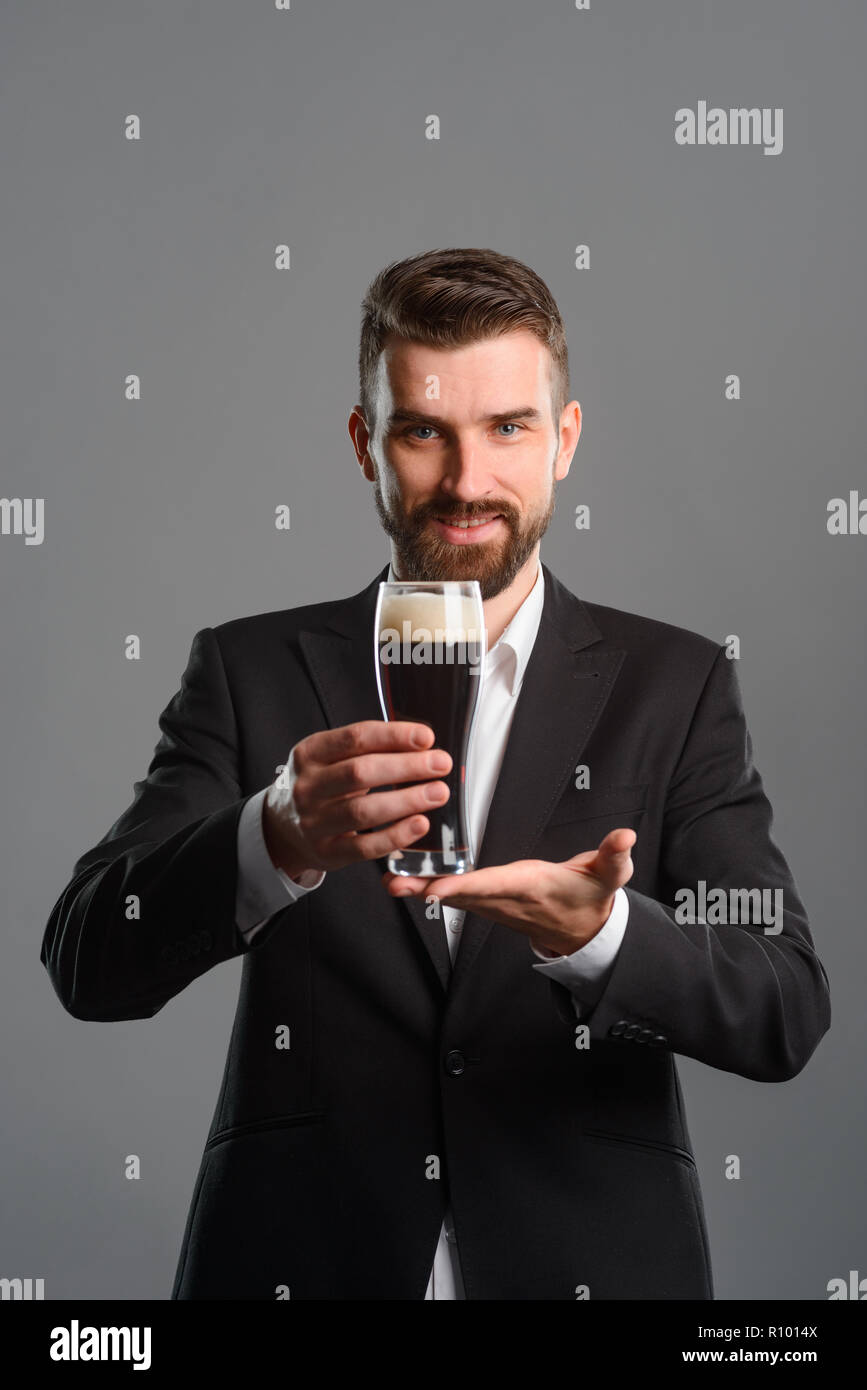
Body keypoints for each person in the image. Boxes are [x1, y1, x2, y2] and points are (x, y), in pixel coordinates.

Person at [41, 247, 831, 1300]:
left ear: (565, 441)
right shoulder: (249, 670)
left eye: (509, 427)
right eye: (425, 431)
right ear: (367, 443)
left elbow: (783, 1005)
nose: (468, 481)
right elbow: (91, 960)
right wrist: (270, 839)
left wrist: (601, 936)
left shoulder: (675, 683)